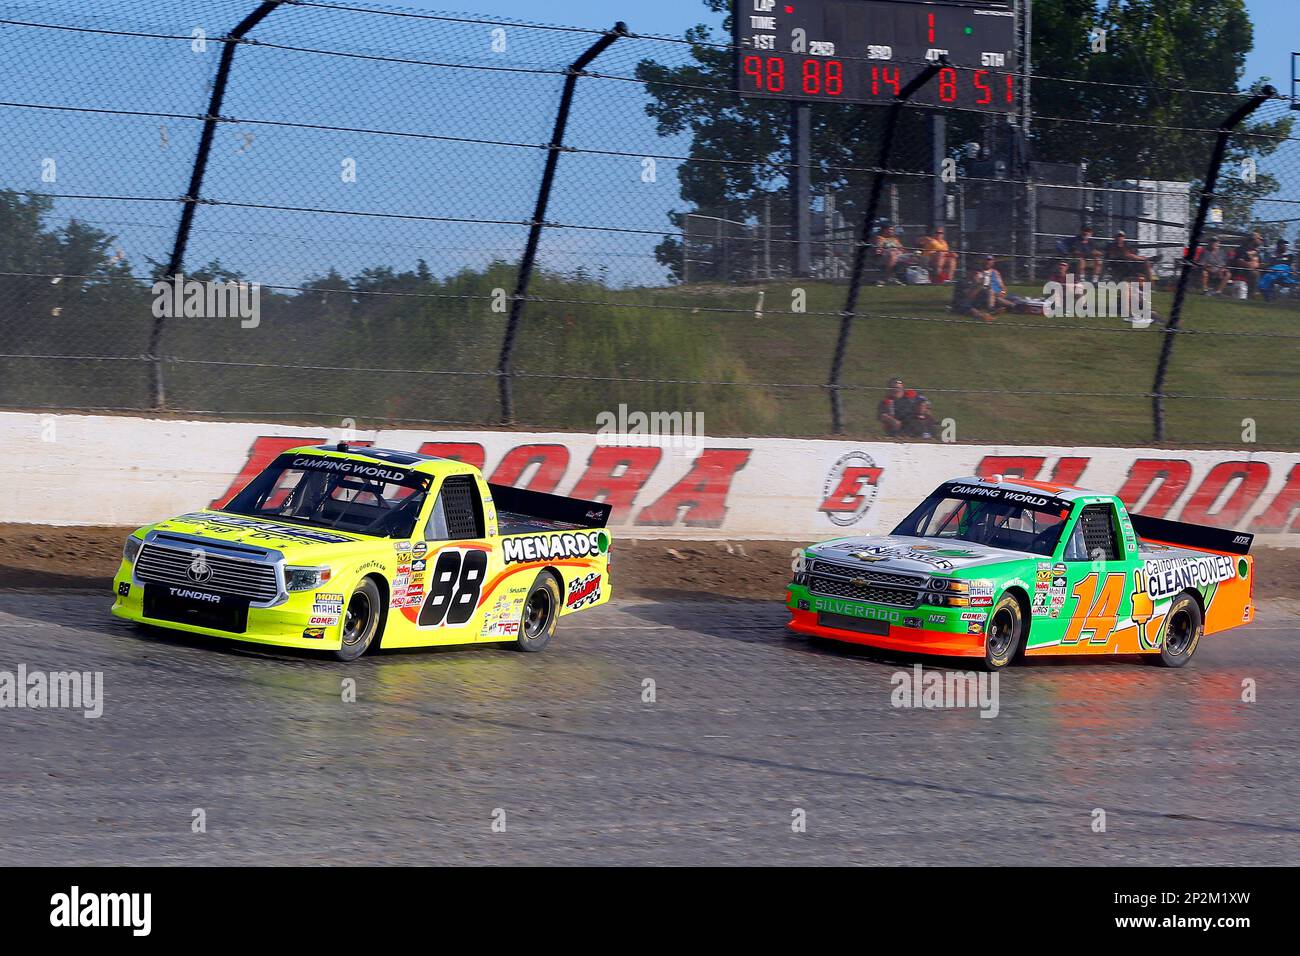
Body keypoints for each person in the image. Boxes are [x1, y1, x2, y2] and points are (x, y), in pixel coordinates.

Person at [1232, 232, 1264, 298]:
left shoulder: (1257, 252)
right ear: (1253, 239)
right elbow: (1239, 261)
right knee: (1255, 273)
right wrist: (1250, 265)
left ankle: (1262, 295)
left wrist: (1265, 266)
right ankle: (1254, 293)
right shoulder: (1243, 249)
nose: (1261, 241)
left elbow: (1260, 264)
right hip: (1242, 272)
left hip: (1254, 272)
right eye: (1259, 239)